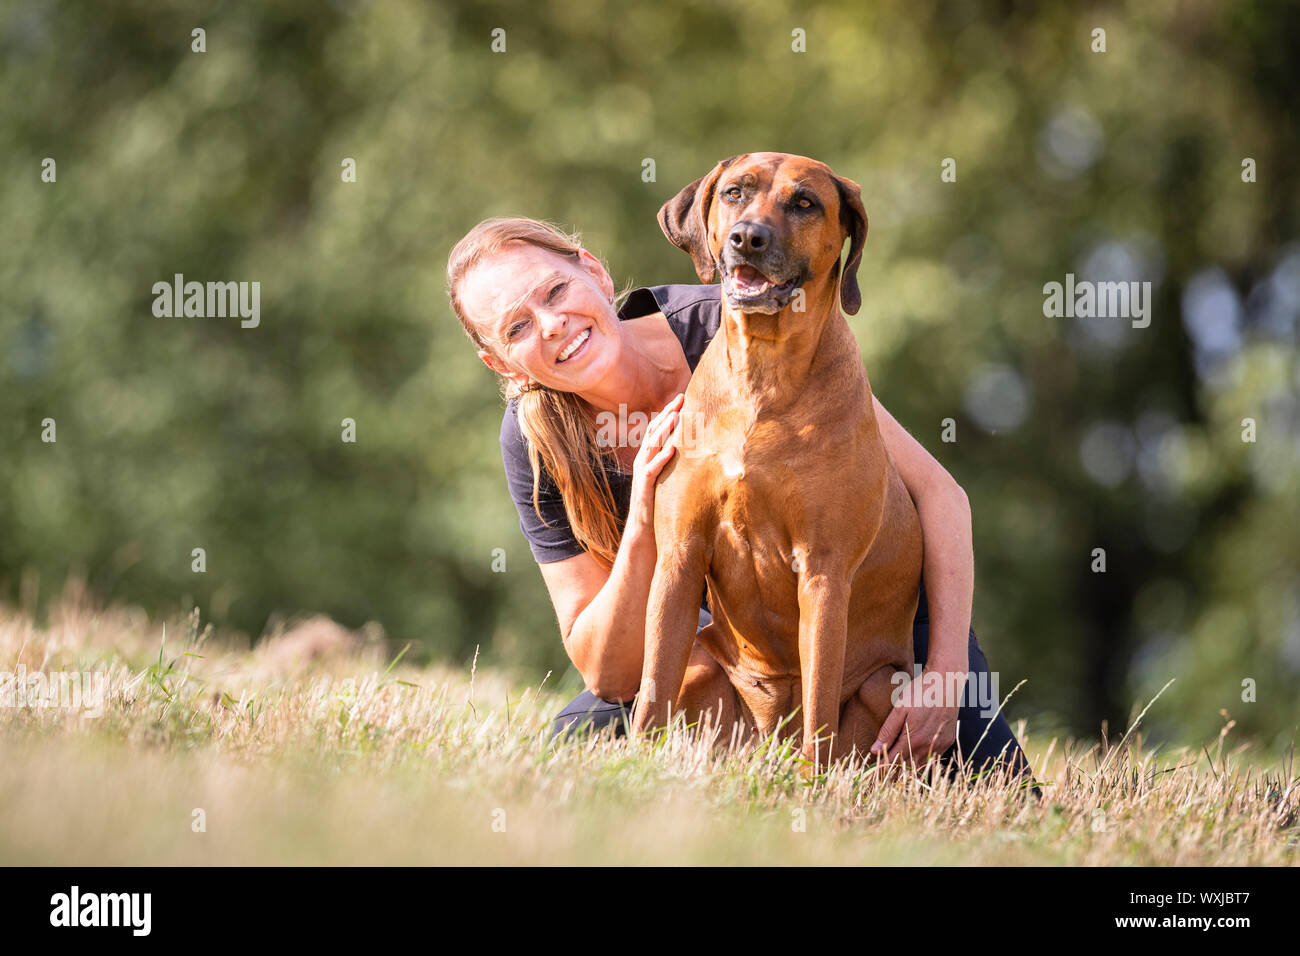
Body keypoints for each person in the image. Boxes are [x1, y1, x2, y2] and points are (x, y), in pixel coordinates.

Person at [447, 216, 1036, 787]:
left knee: (1001, 794)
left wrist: (946, 672)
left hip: (876, 605)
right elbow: (608, 671)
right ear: (499, 363)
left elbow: (941, 493)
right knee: (571, 753)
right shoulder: (535, 440)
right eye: (517, 328)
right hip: (731, 629)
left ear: (595, 273)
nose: (550, 324)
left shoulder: (728, 321)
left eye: (555, 290)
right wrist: (647, 515)